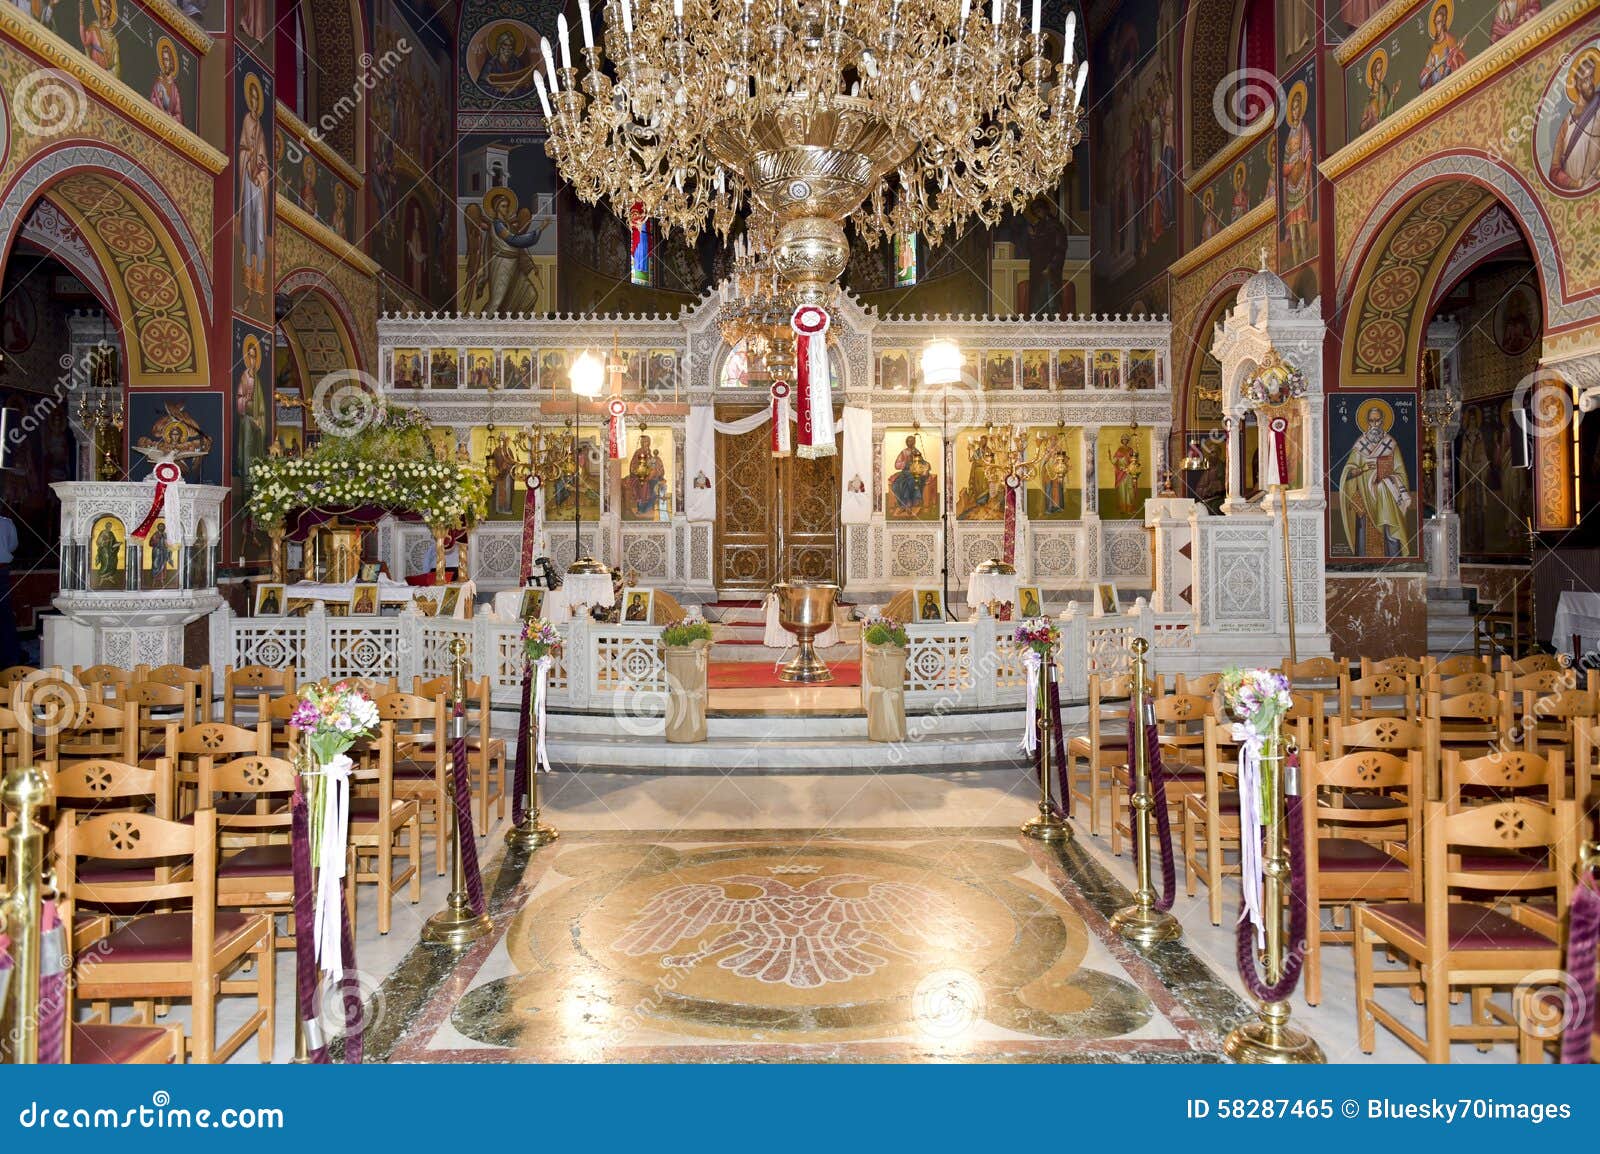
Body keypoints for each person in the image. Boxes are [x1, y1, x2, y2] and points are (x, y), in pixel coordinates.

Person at [1339, 403, 1413, 557]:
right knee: (1364, 533)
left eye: (1377, 420)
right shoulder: (1360, 445)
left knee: (1390, 529)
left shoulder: (1391, 445)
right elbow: (1348, 473)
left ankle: (1394, 564)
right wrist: (1363, 469)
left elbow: (1401, 474)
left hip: (1386, 498)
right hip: (1365, 498)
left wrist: (1387, 479)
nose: (1374, 424)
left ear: (1383, 421)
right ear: (1367, 422)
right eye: (1371, 421)